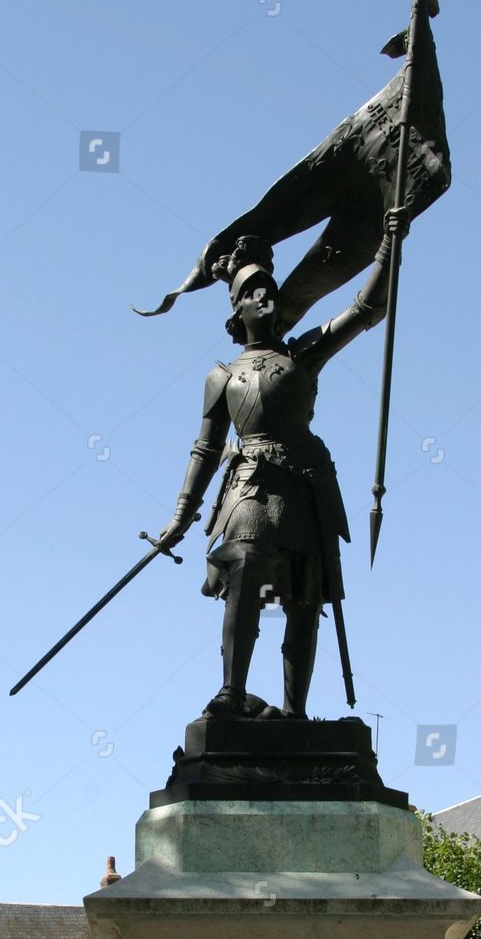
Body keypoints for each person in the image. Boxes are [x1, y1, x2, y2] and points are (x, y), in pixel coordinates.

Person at [158, 208, 408, 718]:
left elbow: (366, 309)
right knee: (244, 567)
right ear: (236, 314)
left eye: (268, 289)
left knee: (303, 599)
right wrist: (181, 518)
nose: (264, 296)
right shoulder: (222, 377)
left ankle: (296, 711)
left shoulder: (303, 355)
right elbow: (205, 449)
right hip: (248, 485)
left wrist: (389, 242)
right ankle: (232, 689)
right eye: (251, 292)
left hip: (306, 489)